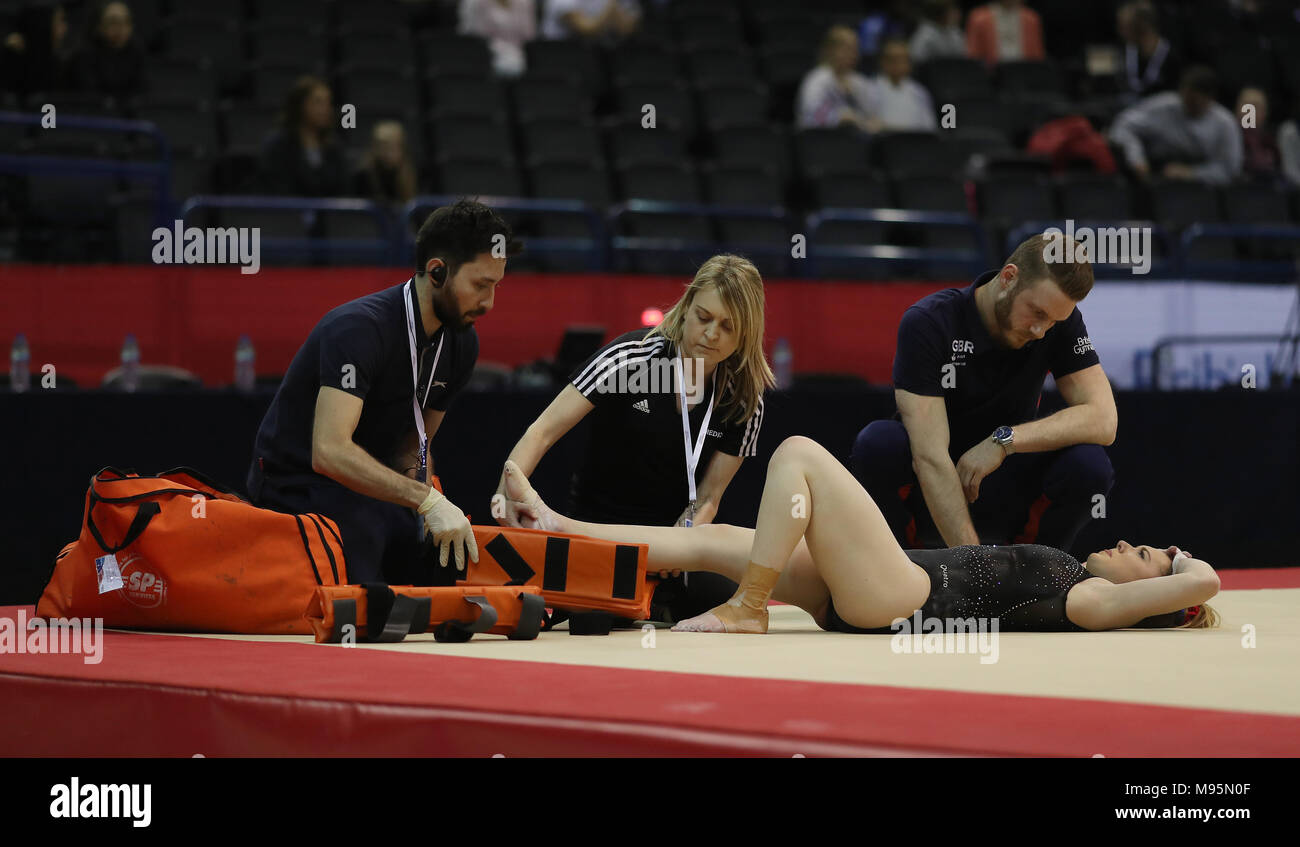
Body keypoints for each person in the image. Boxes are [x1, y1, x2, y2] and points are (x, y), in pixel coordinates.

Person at [498, 437, 1221, 634]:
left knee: (801, 454)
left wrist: (1183, 574)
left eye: (1149, 557)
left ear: (1150, 593)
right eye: (1147, 545)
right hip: (886, 586)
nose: (1134, 546)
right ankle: (562, 526)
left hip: (906, 594)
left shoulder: (1091, 601)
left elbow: (1206, 582)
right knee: (717, 538)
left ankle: (747, 606)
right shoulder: (1078, 578)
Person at [246, 200, 522, 583]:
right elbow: (329, 451)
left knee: (444, 562)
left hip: (371, 487)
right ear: (437, 271)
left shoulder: (461, 343)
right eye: (480, 285)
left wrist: (426, 500)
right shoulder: (357, 329)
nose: (489, 303)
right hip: (299, 485)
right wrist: (425, 500)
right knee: (372, 549)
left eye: (496, 286)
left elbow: (416, 443)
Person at [492, 254, 770, 622]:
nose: (711, 334)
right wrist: (503, 496)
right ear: (686, 308)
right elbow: (541, 433)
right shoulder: (630, 358)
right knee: (595, 610)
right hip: (597, 533)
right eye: (703, 317)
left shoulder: (744, 400)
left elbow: (708, 497)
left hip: (673, 548)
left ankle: (645, 596)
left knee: (730, 595)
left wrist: (682, 541)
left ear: (746, 334)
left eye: (728, 327)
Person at [850, 233, 1116, 554]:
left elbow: (1104, 419)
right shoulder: (929, 322)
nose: (1040, 330)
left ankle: (1033, 583)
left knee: (1089, 465)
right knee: (878, 444)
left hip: (1003, 483)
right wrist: (977, 572)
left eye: (1052, 321)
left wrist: (1003, 442)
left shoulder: (1060, 323)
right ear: (1008, 277)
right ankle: (905, 576)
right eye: (1036, 312)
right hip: (935, 487)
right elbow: (930, 458)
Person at [1108, 66, 1242, 186]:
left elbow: (1230, 170)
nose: (1189, 106)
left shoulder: (1225, 123)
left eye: (1195, 102)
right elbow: (1122, 126)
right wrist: (1136, 159)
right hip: (1154, 178)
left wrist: (1191, 173)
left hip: (1205, 192)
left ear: (1210, 98)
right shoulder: (1163, 107)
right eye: (1186, 99)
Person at [259, 75, 349, 197]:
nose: (326, 109)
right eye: (318, 102)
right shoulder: (278, 145)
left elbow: (342, 190)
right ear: (300, 105)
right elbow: (277, 189)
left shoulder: (334, 147)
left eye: (328, 103)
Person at [796, 25, 875, 133]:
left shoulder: (859, 81)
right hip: (821, 139)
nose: (853, 54)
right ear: (831, 50)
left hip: (855, 142)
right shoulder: (817, 79)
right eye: (847, 48)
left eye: (855, 49)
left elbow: (871, 115)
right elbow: (812, 117)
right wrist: (841, 117)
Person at [70, 1, 145, 103]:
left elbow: (143, 91)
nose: (121, 28)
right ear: (99, 26)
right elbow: (89, 94)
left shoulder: (137, 53)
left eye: (126, 21)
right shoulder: (84, 56)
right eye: (113, 22)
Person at [863, 38, 937, 133]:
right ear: (883, 62)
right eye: (893, 59)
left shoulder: (919, 92)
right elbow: (867, 125)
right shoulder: (869, 89)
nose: (898, 64)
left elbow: (930, 127)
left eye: (903, 60)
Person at [1114, 1, 1180, 106]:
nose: (1120, 32)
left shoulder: (1172, 55)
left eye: (1125, 27)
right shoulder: (1125, 52)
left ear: (1143, 26)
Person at [0, 2, 71, 100]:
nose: (65, 28)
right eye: (60, 21)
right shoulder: (16, 71)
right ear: (44, 26)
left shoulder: (66, 64)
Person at [458, 0, 536, 78]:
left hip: (518, 53)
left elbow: (529, 34)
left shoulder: (525, 3)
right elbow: (479, 33)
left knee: (512, 63)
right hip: (487, 53)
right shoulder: (479, 3)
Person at [350, 120, 417, 207]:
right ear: (376, 149)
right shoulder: (363, 176)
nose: (391, 153)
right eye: (386, 147)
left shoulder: (409, 172)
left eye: (396, 147)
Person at [965, 0, 1044, 67]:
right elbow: (973, 56)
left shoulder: (1031, 19)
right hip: (991, 76)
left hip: (1023, 74)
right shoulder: (979, 18)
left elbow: (1037, 56)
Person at [541, 0, 639, 43]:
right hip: (561, 59)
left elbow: (627, 29)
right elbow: (588, 30)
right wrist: (612, 4)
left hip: (598, 59)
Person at [1236, 86, 1280, 182]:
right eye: (1247, 106)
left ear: (1265, 112)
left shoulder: (1271, 140)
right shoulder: (1230, 136)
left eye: (1255, 106)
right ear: (1237, 109)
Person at [909, 0, 965, 65]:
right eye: (951, 11)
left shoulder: (955, 32)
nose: (957, 13)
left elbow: (963, 57)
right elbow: (917, 60)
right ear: (940, 14)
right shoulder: (924, 35)